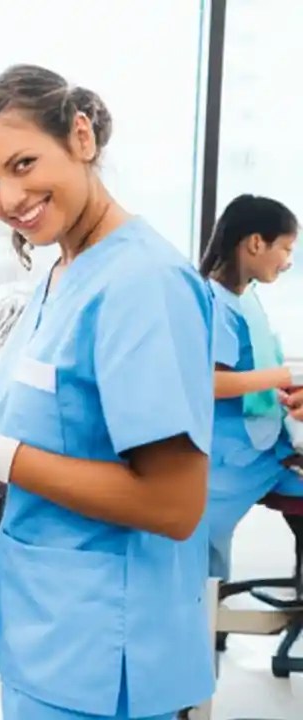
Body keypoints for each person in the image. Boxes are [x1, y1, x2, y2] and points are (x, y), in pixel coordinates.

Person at [0, 64, 216, 719]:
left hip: (104, 650)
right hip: (49, 631)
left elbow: (174, 503)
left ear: (81, 137)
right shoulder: (60, 272)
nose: (9, 197)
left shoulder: (141, 283)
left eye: (23, 164)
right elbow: (63, 436)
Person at [198, 194, 303, 582]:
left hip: (267, 448)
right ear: (256, 243)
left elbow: (254, 371)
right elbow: (209, 382)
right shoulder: (214, 303)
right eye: (286, 249)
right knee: (200, 559)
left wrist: (285, 393)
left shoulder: (247, 298)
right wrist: (284, 377)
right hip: (230, 459)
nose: (288, 262)